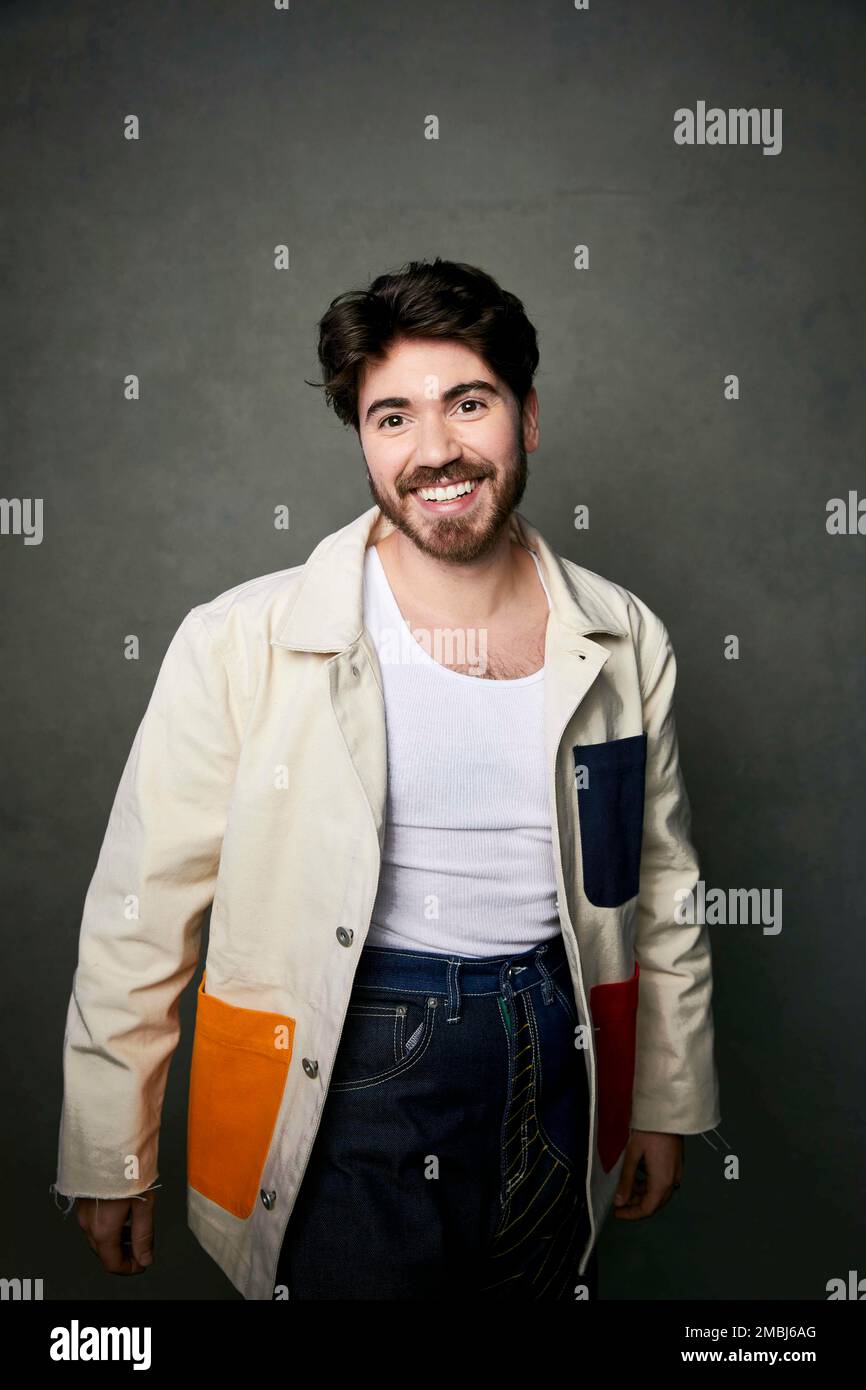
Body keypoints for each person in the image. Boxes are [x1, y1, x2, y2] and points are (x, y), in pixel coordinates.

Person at [52, 258, 720, 1300]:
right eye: (392, 416)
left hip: (557, 1041)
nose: (436, 450)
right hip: (351, 1053)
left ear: (526, 416)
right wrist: (109, 1146)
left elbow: (660, 885)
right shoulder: (242, 639)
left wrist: (664, 1101)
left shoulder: (623, 637)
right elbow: (143, 910)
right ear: (361, 439)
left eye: (468, 403)